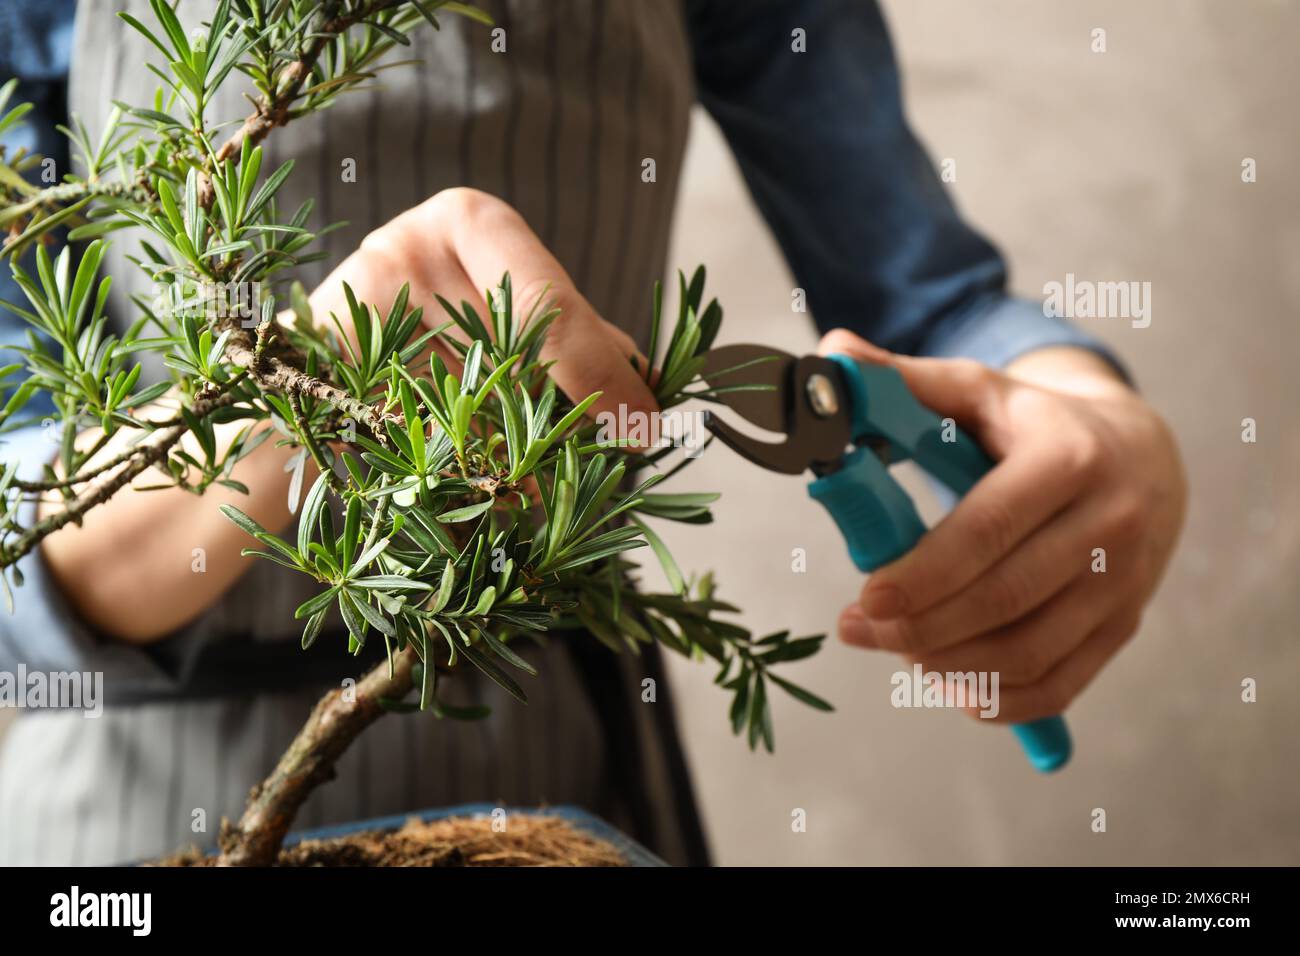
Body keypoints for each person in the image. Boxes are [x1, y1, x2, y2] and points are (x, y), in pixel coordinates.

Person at [0, 0, 1185, 866]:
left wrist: (1096, 416)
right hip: (126, 832)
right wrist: (305, 396)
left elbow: (935, 306)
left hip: (560, 774)